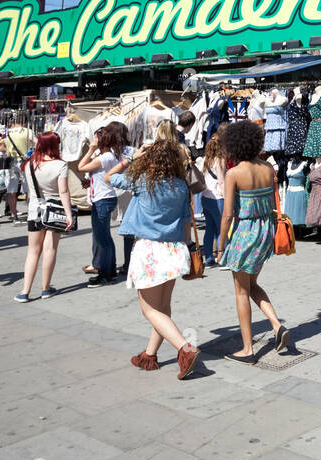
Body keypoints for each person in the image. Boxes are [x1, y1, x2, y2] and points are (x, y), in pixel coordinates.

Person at [106, 136, 201, 379]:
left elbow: (109, 177)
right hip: (174, 249)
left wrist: (133, 157)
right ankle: (149, 355)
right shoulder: (181, 186)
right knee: (163, 308)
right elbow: (186, 221)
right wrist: (190, 249)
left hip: (149, 251)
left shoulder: (142, 180)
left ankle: (185, 348)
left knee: (149, 310)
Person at [217, 120, 290, 362]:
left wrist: (220, 246)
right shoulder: (268, 169)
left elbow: (228, 215)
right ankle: (277, 324)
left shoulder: (234, 173)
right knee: (251, 285)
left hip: (245, 233)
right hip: (265, 232)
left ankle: (248, 349)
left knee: (240, 291)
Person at [15, 132, 73, 302]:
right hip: (54, 211)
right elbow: (63, 191)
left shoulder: (29, 164)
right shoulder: (60, 165)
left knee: (32, 251)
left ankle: (25, 291)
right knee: (50, 249)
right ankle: (46, 288)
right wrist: (69, 213)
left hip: (35, 210)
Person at [77, 122, 133, 287]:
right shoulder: (109, 156)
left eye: (95, 139)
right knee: (105, 237)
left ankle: (105, 274)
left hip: (103, 200)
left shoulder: (104, 157)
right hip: (103, 198)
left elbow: (80, 167)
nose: (92, 141)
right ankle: (109, 271)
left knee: (102, 239)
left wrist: (91, 149)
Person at [197, 134, 225, 266]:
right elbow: (221, 180)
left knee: (209, 228)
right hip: (217, 197)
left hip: (205, 197)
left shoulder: (204, 160)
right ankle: (222, 256)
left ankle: (208, 256)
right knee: (221, 228)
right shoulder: (219, 160)